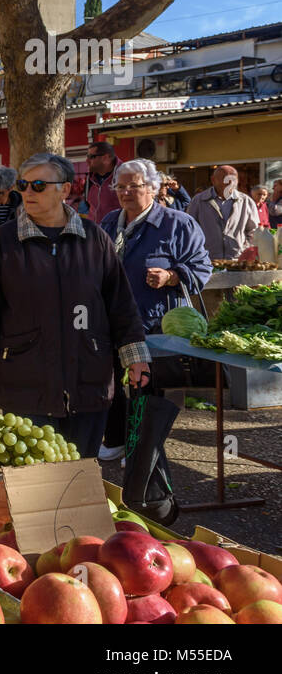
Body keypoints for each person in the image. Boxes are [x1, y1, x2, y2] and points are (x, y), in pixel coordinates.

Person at [0, 153, 151, 459]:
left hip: (88, 379)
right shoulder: (2, 242)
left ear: (64, 191)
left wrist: (135, 357)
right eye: (22, 185)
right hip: (25, 379)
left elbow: (121, 304)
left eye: (38, 185)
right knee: (31, 476)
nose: (27, 193)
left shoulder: (95, 239)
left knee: (80, 472)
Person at [96, 158, 213, 463]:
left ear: (152, 187)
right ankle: (118, 439)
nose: (124, 192)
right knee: (111, 382)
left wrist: (171, 276)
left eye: (132, 186)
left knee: (145, 385)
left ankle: (143, 447)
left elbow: (202, 268)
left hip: (151, 321)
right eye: (119, 186)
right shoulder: (109, 222)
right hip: (111, 321)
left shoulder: (178, 223)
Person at [186, 165, 259, 260]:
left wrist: (245, 249)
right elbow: (189, 229)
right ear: (213, 180)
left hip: (237, 260)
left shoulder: (246, 201)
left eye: (233, 179)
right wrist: (199, 251)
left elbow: (254, 230)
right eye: (225, 179)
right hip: (207, 260)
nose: (229, 182)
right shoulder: (199, 200)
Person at [81, 140, 121, 221]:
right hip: (94, 231)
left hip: (118, 232)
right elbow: (88, 206)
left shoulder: (125, 175)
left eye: (91, 157)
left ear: (106, 158)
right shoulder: (90, 178)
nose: (87, 161)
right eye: (87, 157)